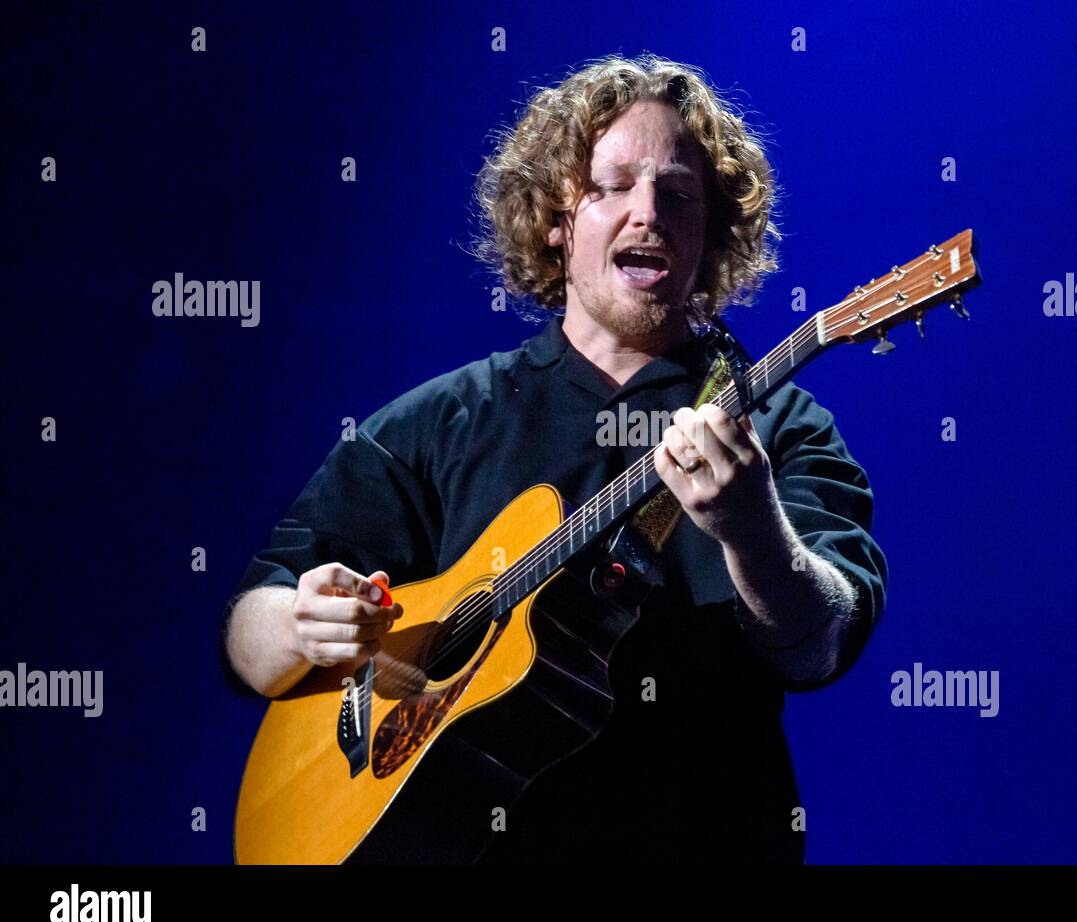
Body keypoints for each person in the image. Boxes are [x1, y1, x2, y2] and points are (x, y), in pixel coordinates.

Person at [222, 53, 887, 863]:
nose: (648, 212)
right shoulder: (443, 420)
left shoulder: (778, 428)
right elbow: (252, 642)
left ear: (708, 236)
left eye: (678, 195)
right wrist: (301, 623)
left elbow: (819, 646)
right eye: (612, 186)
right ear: (554, 217)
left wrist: (753, 531)